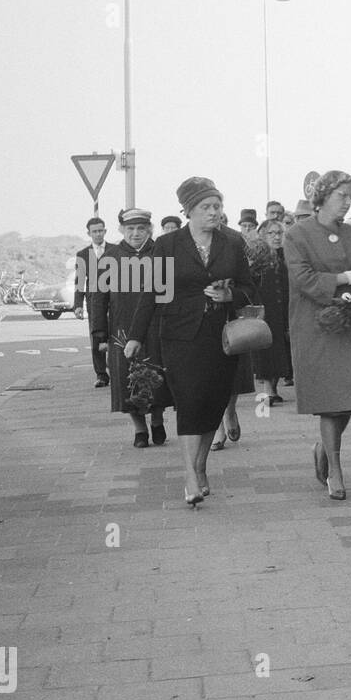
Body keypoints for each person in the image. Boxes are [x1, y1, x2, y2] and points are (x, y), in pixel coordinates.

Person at [124, 176, 255, 508]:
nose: (214, 212)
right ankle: (189, 475)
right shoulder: (168, 246)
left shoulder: (233, 242)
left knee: (213, 400)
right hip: (179, 335)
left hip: (221, 336)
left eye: (217, 206)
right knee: (189, 400)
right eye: (206, 207)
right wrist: (136, 336)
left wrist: (230, 295)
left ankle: (201, 466)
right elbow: (152, 292)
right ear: (188, 211)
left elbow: (250, 288)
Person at [282, 170, 351, 501]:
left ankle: (324, 449)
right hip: (317, 327)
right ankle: (336, 471)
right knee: (331, 402)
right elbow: (304, 280)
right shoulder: (297, 235)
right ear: (323, 196)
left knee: (349, 399)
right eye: (342, 195)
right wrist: (344, 279)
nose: (346, 203)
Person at [91, 208, 170, 448]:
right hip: (121, 332)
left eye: (141, 229)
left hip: (156, 330)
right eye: (130, 229)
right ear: (121, 230)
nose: (136, 234)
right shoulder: (110, 258)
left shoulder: (162, 254)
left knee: (158, 380)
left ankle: (157, 420)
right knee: (127, 381)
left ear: (149, 229)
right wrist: (100, 335)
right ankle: (139, 430)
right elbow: (98, 299)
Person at [250, 214, 293, 406]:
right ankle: (266, 392)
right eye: (272, 233)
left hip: (282, 310)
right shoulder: (256, 257)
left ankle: (273, 389)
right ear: (262, 235)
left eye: (279, 233)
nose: (276, 237)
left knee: (280, 350)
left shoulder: (286, 255)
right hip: (263, 312)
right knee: (266, 350)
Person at [74, 217, 111, 386]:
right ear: (89, 233)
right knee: (97, 336)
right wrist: (78, 306)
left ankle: (120, 371)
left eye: (100, 230)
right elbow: (80, 281)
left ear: (105, 231)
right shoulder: (83, 254)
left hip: (116, 299)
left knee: (117, 334)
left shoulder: (116, 250)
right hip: (94, 302)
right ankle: (101, 375)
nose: (98, 234)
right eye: (94, 231)